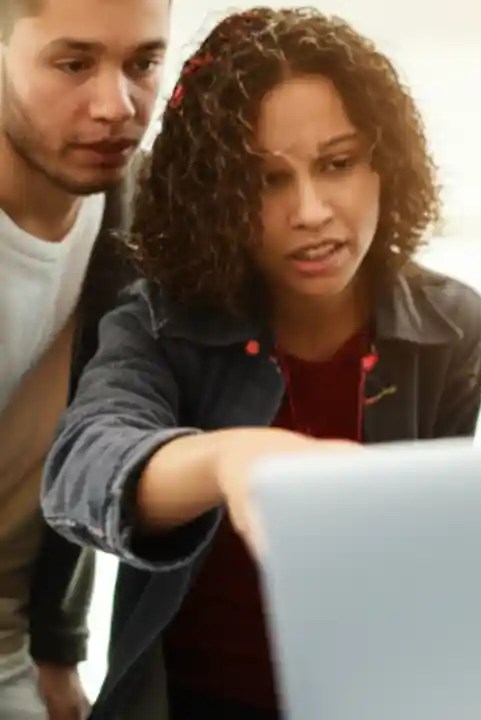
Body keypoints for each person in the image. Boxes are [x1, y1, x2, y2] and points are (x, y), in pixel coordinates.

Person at [41, 8, 481, 719]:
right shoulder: (157, 324)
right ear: (214, 197)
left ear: (386, 163)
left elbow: (426, 559)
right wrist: (232, 460)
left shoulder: (452, 330)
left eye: (337, 164)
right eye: (266, 182)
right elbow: (80, 473)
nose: (310, 210)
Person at [0, 0, 169, 717]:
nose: (115, 105)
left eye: (143, 64)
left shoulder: (131, 213)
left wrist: (57, 646)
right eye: (74, 64)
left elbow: (87, 428)